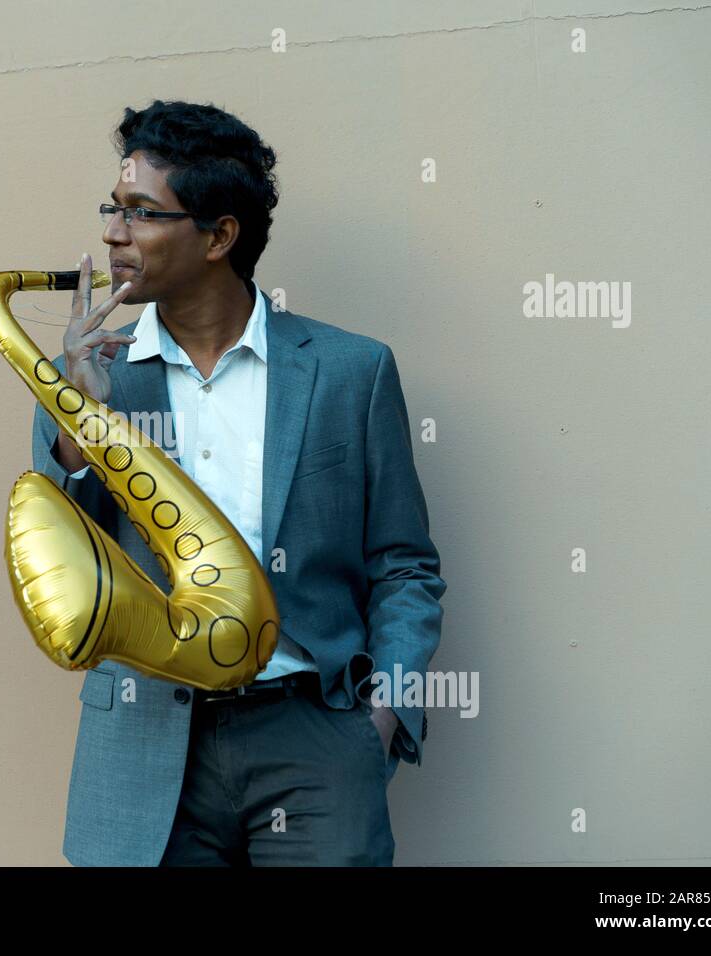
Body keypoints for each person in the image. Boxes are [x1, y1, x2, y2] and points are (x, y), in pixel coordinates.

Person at [31, 99, 446, 866]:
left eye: (141, 213)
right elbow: (60, 559)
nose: (112, 234)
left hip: (313, 735)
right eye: (111, 209)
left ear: (220, 235)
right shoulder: (87, 375)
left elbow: (405, 565)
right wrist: (78, 417)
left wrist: (381, 716)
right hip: (145, 743)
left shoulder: (350, 372)